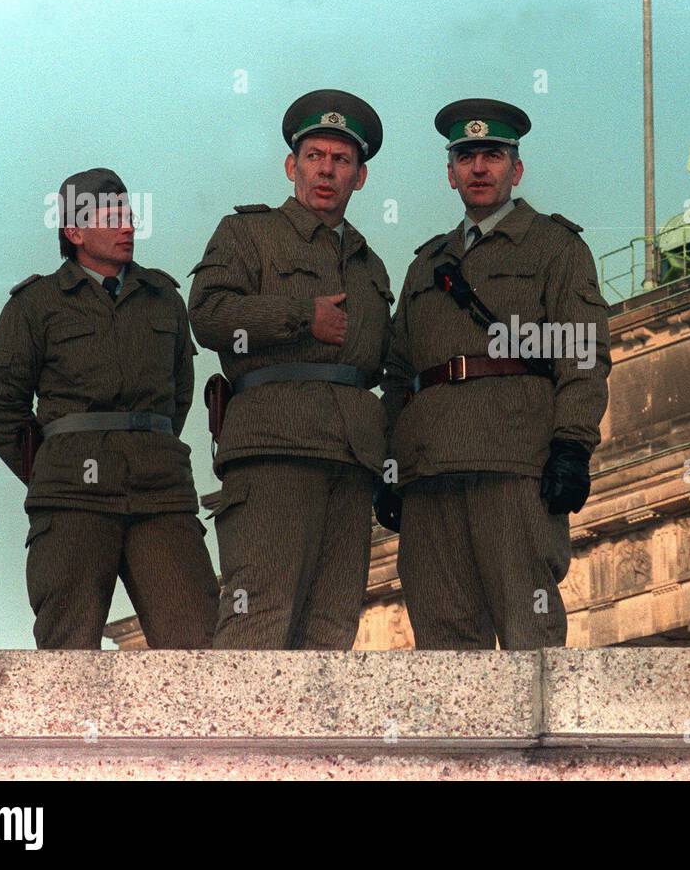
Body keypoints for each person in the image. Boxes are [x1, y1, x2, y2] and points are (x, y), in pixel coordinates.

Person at [378, 98, 611, 649]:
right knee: (443, 642)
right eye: (466, 156)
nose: (479, 168)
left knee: (528, 633)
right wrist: (390, 466)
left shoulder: (556, 248)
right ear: (451, 172)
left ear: (516, 168)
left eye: (493, 155)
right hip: (429, 471)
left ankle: (544, 740)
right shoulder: (426, 265)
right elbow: (397, 377)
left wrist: (573, 445)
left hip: (513, 461)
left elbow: (582, 352)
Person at [0, 167, 219, 649]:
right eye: (111, 216)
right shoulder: (37, 303)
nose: (127, 225)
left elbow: (179, 396)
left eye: (129, 214)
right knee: (68, 648)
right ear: (74, 231)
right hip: (72, 495)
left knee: (197, 646)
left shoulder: (163, 298)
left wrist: (148, 447)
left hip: (160, 492)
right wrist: (48, 467)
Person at [188, 89, 393, 649]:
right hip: (273, 451)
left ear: (360, 176)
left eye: (341, 160)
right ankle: (241, 740)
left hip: (351, 462)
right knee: (259, 617)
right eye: (314, 156)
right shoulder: (248, 234)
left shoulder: (370, 264)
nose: (326, 170)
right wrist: (301, 316)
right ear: (291, 165)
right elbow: (207, 316)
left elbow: (385, 365)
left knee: (332, 628)